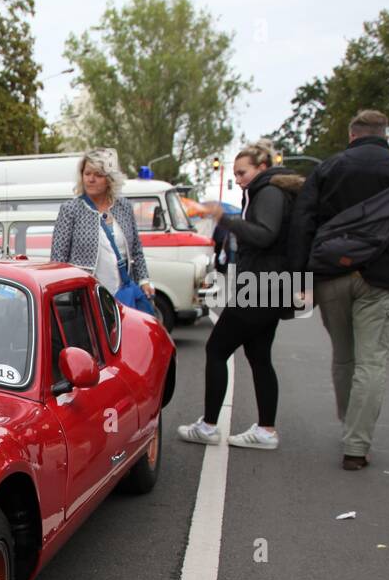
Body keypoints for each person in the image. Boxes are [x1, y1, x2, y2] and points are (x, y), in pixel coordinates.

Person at [289, 108, 389, 470]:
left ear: (352, 135)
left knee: (343, 356)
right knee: (372, 362)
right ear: (385, 136)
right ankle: (356, 444)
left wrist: (300, 279)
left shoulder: (327, 169)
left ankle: (347, 423)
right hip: (381, 279)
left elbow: (302, 223)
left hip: (330, 276)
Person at [178, 141, 305, 450]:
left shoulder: (269, 193)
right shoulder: (271, 192)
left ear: (262, 168)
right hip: (273, 284)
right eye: (235, 174)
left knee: (217, 348)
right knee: (259, 356)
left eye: (242, 172)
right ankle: (265, 430)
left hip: (262, 285)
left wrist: (226, 219)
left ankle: (209, 425)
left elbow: (264, 235)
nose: (238, 179)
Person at [49, 149, 157, 315]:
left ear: (110, 179)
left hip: (123, 295)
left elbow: (136, 251)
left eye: (98, 175)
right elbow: (58, 260)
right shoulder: (71, 210)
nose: (91, 179)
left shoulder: (124, 207)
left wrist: (144, 280)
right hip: (85, 299)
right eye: (87, 173)